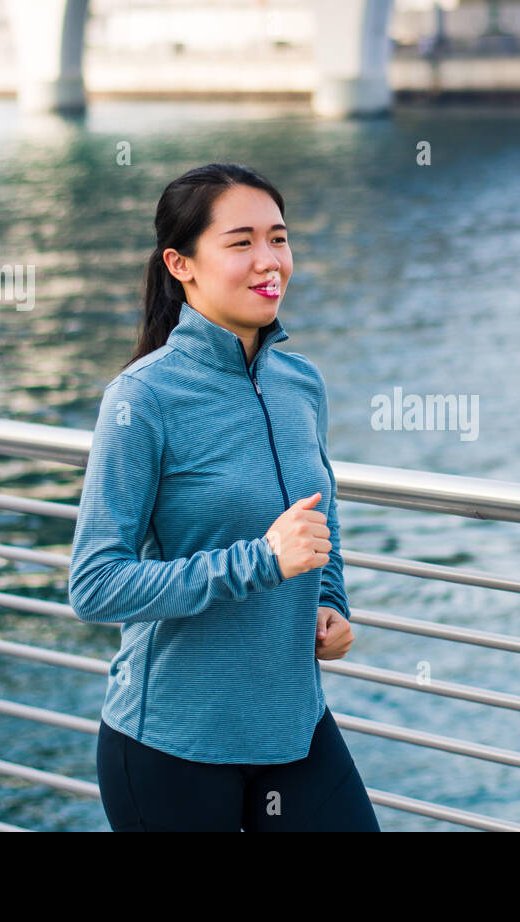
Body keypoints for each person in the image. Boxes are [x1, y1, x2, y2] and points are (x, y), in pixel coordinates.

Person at [70, 163, 380, 831]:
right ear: (180, 264)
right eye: (240, 242)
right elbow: (94, 584)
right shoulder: (142, 400)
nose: (269, 261)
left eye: (279, 237)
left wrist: (330, 602)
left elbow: (317, 520)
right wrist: (260, 563)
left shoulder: (301, 384)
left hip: (295, 726)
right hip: (172, 745)